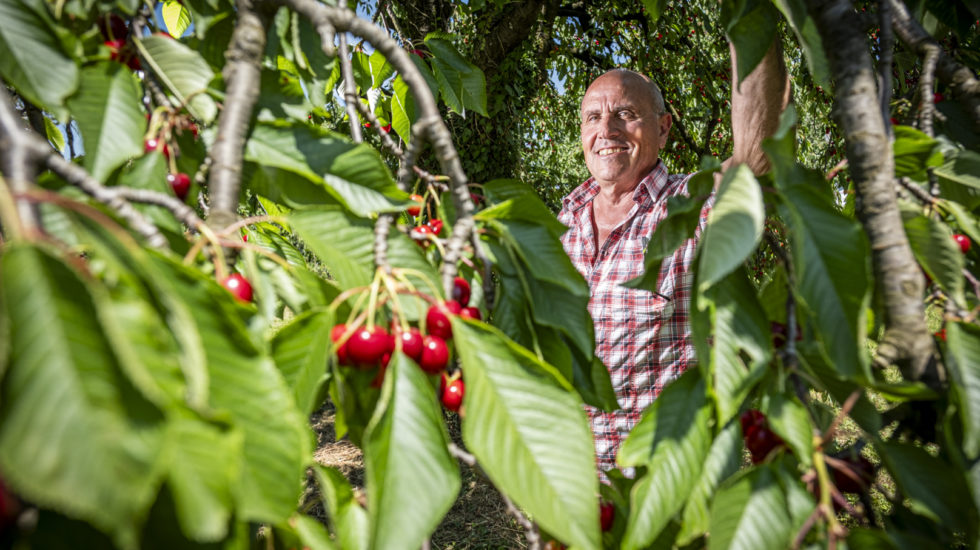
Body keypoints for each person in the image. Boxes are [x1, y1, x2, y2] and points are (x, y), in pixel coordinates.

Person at [557, 39, 791, 474]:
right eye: (593, 117)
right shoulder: (564, 219)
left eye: (625, 114)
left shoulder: (689, 205)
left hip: (664, 479)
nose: (606, 131)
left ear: (663, 128)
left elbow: (757, 161)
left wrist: (750, 17)